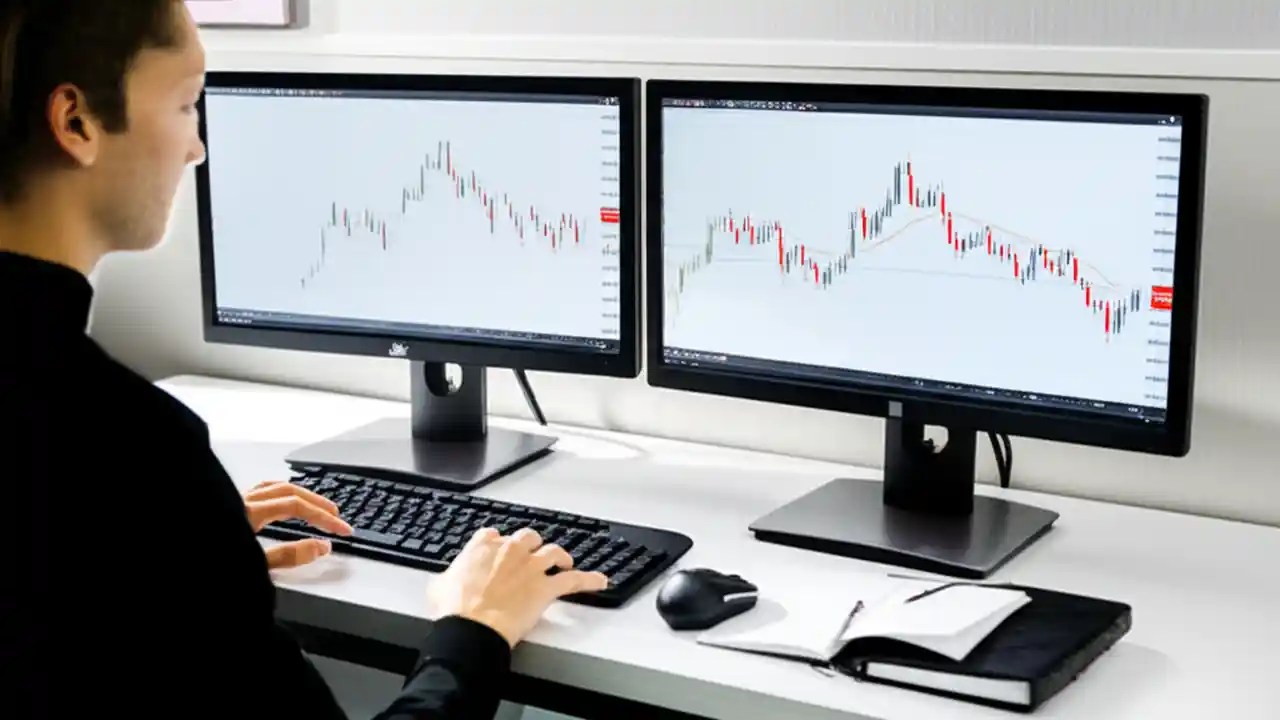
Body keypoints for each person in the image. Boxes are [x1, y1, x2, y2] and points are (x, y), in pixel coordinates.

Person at [0, 2, 608, 718]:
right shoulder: (130, 447)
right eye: (188, 103)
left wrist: (181, 568)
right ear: (76, 122)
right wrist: (474, 628)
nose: (198, 148)